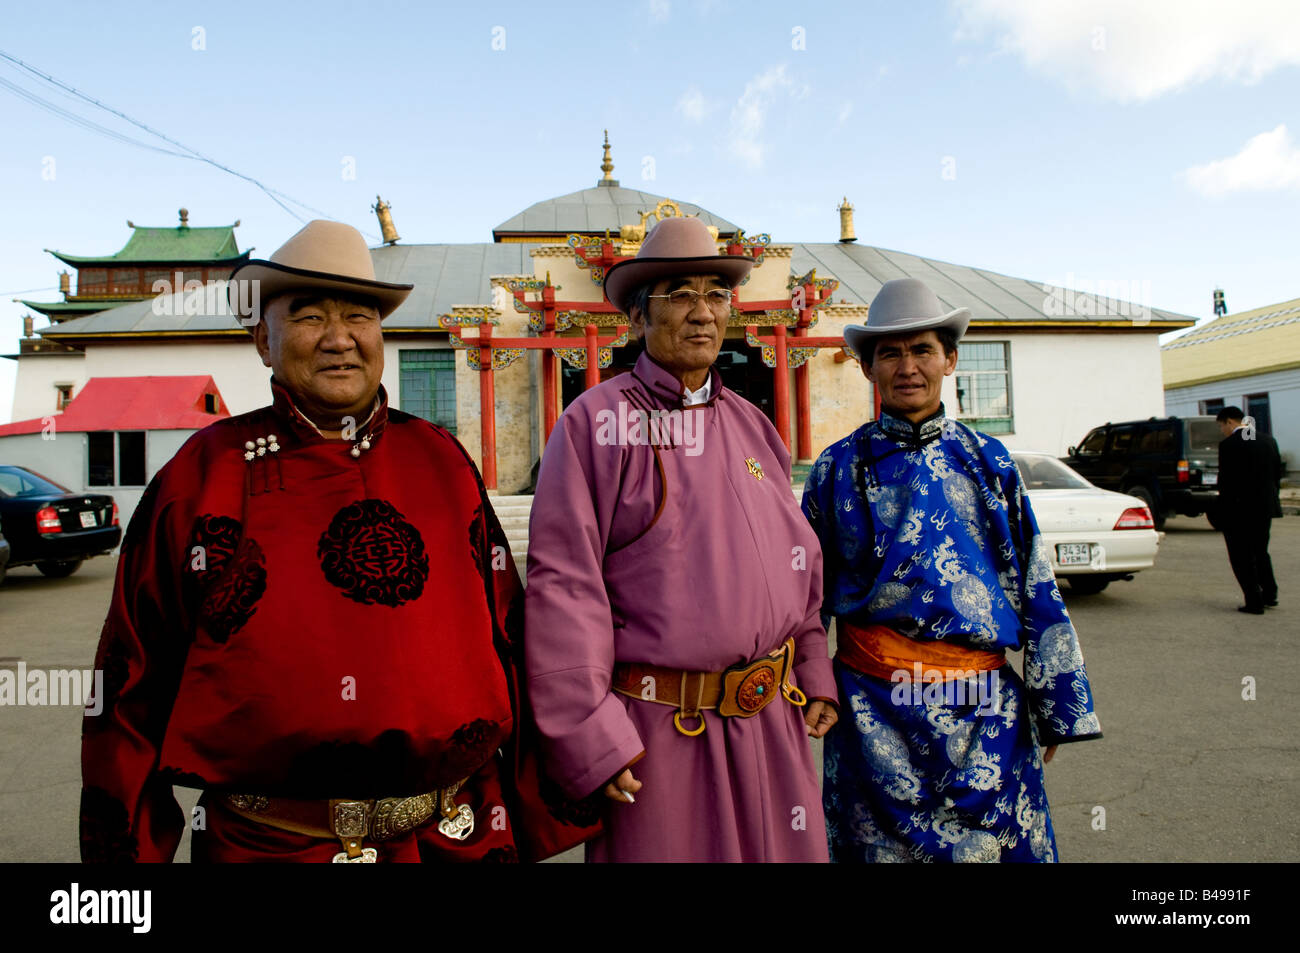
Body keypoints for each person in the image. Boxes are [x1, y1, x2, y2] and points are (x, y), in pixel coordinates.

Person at [80, 220, 595, 862]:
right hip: (269, 846)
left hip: (453, 838)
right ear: (261, 339)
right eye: (309, 316)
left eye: (360, 314)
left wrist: (577, 767)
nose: (340, 339)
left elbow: (513, 639)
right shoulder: (201, 476)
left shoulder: (440, 461)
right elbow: (127, 689)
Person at [524, 215, 838, 862]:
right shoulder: (595, 424)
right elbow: (565, 588)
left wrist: (811, 665)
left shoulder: (753, 426)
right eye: (680, 295)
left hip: (773, 723)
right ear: (638, 319)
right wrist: (590, 736)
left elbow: (796, 565)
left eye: (716, 295)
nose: (703, 313)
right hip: (660, 733)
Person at [802, 277, 1101, 863]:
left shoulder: (991, 464)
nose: (907, 366)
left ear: (950, 359)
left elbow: (1035, 581)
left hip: (986, 714)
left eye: (922, 350)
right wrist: (812, 686)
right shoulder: (836, 469)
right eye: (890, 352)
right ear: (867, 367)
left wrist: (1055, 705)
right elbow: (803, 598)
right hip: (871, 715)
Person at [1215, 406, 1284, 614]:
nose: (1222, 431)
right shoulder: (1268, 441)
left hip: (1239, 509)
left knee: (1241, 556)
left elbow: (1226, 482)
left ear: (1229, 422)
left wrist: (1222, 512)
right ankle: (1270, 594)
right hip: (1264, 508)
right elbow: (1276, 475)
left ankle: (1254, 601)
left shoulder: (1229, 445)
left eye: (1221, 426)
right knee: (1261, 551)